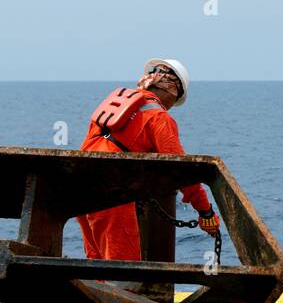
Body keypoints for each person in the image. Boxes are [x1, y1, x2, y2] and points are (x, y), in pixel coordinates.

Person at [77, 58, 220, 261]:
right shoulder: (159, 118)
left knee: (97, 263)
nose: (170, 106)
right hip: (112, 194)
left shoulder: (111, 108)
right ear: (171, 90)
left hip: (78, 190)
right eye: (175, 99)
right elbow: (181, 170)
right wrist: (205, 212)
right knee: (122, 271)